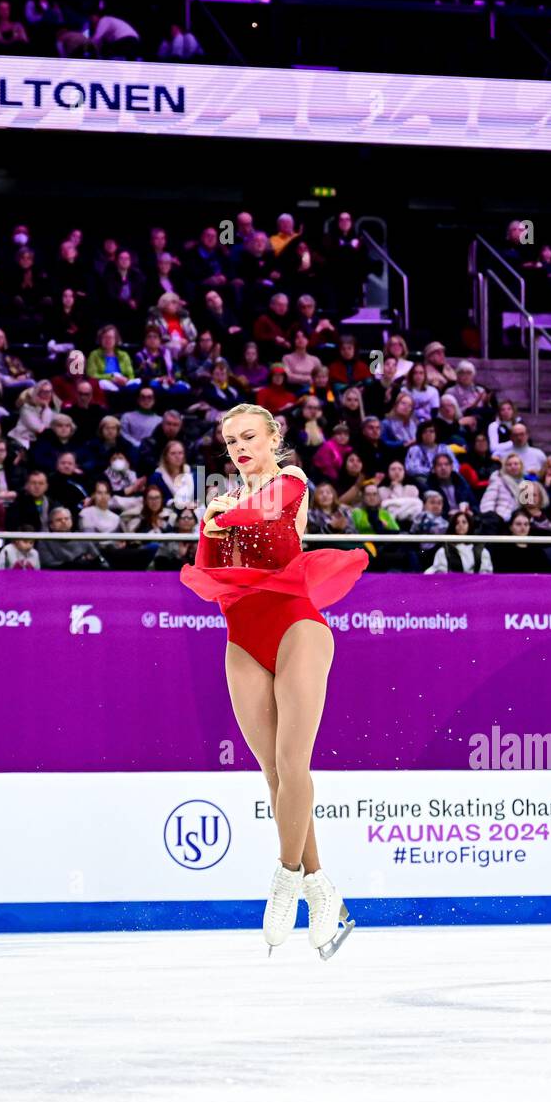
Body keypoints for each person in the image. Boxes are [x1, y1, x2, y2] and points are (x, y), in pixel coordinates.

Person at [180, 404, 366, 959]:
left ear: (273, 437)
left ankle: (286, 878)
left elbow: (267, 511)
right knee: (272, 774)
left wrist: (219, 514)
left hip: (297, 627)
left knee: (294, 765)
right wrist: (210, 527)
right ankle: (321, 886)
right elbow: (209, 574)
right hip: (243, 636)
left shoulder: (291, 481)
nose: (239, 447)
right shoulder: (225, 503)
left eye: (249, 437)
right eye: (230, 440)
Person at [425, 511, 492, 574]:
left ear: (469, 525)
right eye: (457, 523)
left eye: (464, 522)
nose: (460, 525)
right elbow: (440, 574)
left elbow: (486, 574)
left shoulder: (481, 551)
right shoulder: (443, 551)